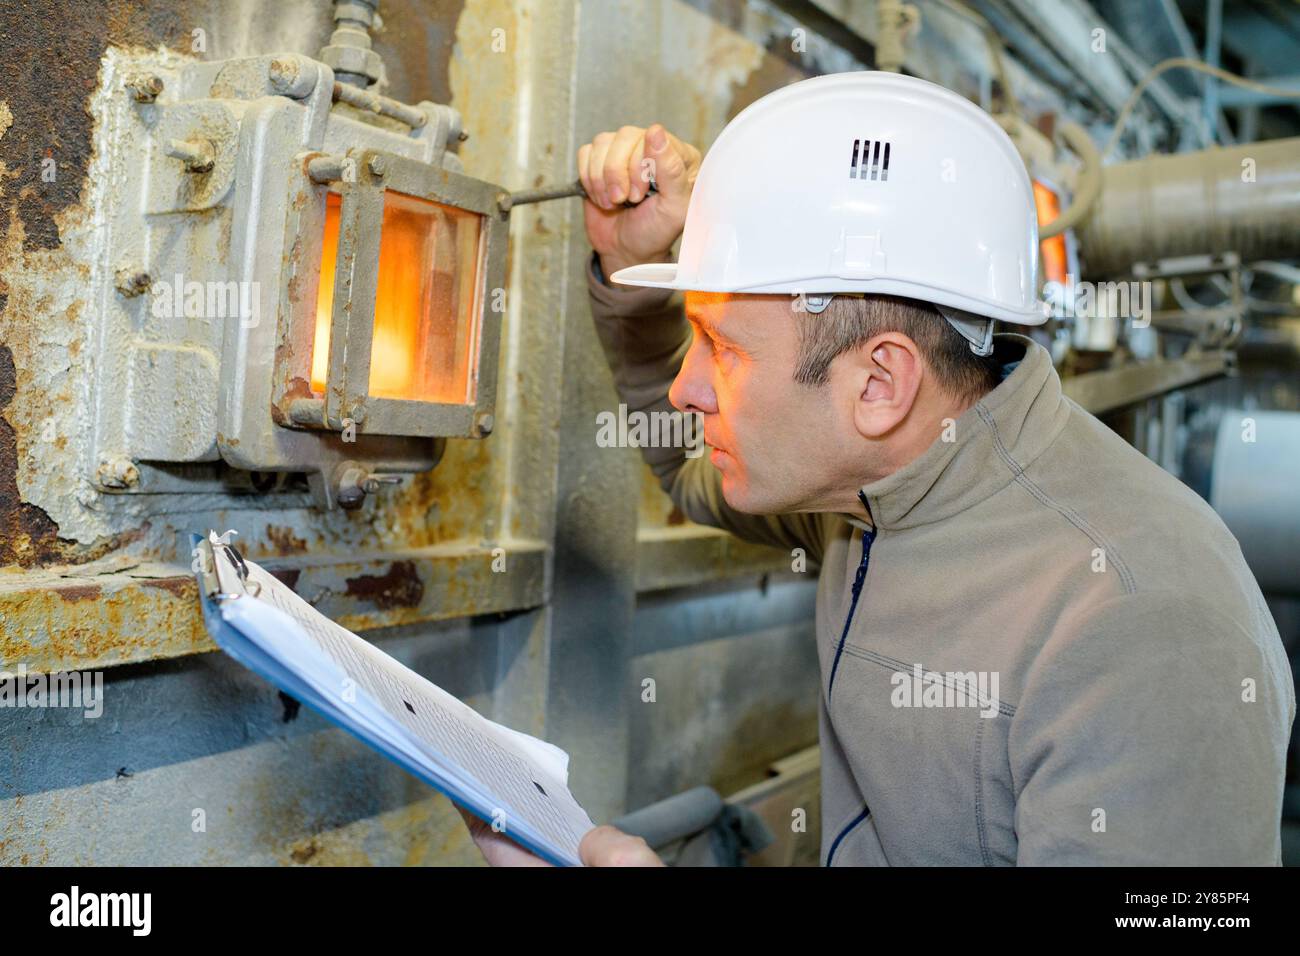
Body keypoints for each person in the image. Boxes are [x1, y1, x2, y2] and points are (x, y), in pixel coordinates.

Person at [467, 71, 1295, 866]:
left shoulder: (1146, 626)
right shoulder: (878, 489)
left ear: (880, 383)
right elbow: (692, 467)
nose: (687, 388)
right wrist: (631, 279)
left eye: (721, 349)